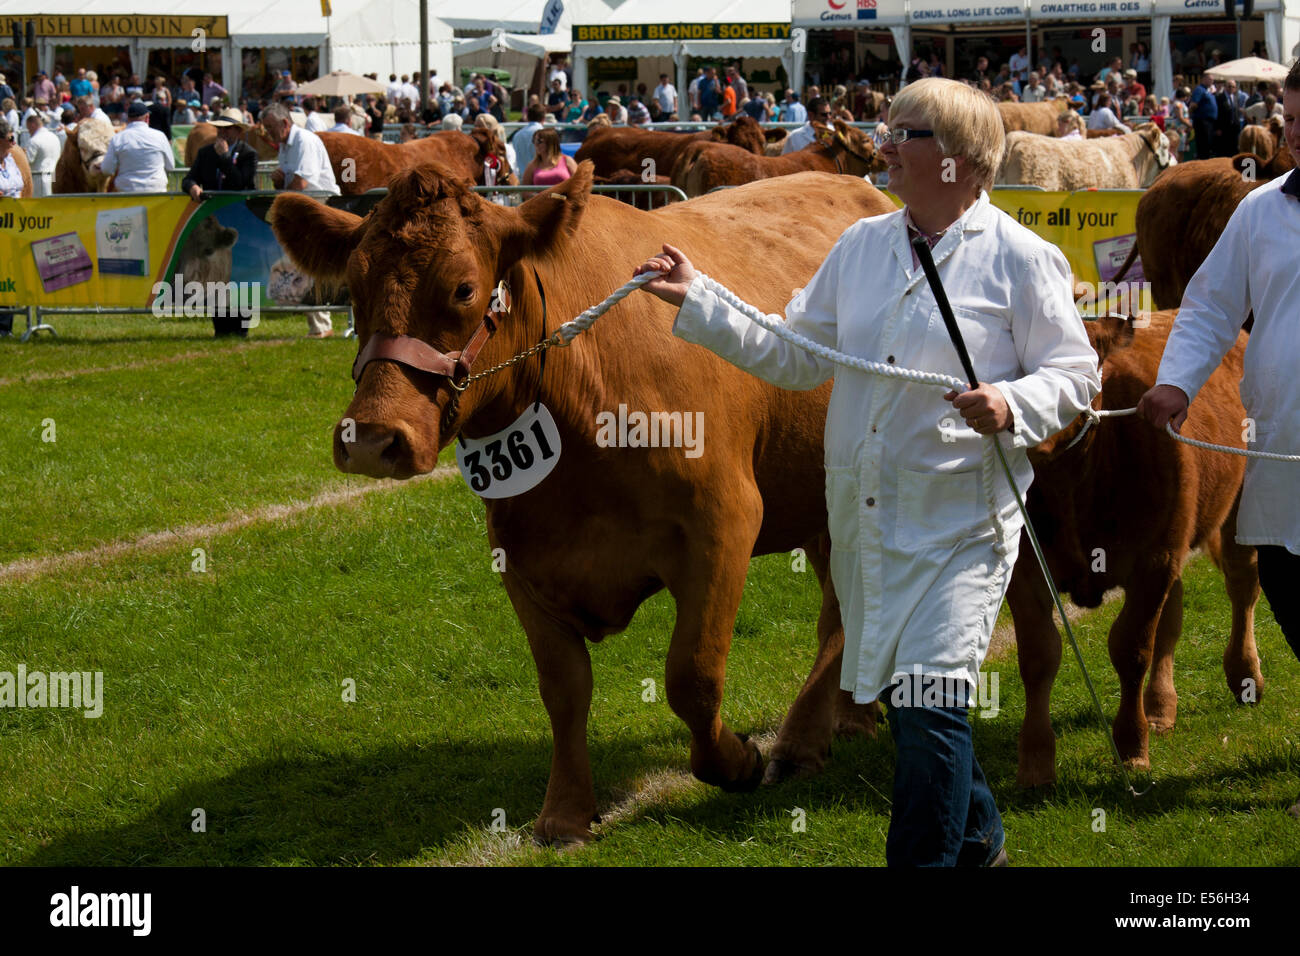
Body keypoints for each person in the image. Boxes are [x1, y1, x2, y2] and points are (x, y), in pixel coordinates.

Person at [635, 77, 1100, 867]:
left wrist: (1013, 401)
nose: (883, 144)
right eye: (889, 128)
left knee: (932, 699)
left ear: (957, 160)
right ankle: (981, 834)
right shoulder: (860, 248)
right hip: (864, 519)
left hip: (961, 520)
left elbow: (1078, 375)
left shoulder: (1022, 260)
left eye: (906, 133)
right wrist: (700, 299)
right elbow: (793, 351)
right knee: (908, 698)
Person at [1137, 66, 1300, 806]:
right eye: (1291, 118)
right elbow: (1207, 307)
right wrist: (1176, 381)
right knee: (1289, 584)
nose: (1291, 133)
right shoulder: (1263, 211)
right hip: (1280, 442)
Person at [261, 102, 339, 337]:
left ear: (285, 123)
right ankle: (321, 325)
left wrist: (283, 204)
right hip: (305, 209)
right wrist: (278, 182)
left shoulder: (304, 141)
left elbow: (301, 183)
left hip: (319, 208)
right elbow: (292, 184)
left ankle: (322, 325)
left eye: (270, 127)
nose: (267, 133)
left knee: (310, 266)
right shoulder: (285, 145)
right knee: (309, 267)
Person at [100, 101, 174, 192]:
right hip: (157, 191)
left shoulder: (117, 138)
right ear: (147, 118)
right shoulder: (160, 136)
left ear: (128, 118)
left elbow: (106, 169)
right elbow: (171, 166)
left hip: (127, 192)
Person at [22, 112, 59, 196]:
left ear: (32, 125)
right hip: (54, 175)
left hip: (40, 178)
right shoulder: (54, 137)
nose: (29, 132)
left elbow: (27, 161)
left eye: (29, 129)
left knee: (40, 204)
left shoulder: (34, 141)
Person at [1191, 74, 1219, 159]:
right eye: (1210, 79)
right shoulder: (1200, 89)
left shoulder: (1208, 90)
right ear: (1204, 79)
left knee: (1209, 144)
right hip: (1202, 121)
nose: (1212, 81)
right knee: (1204, 144)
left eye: (1213, 80)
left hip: (1209, 122)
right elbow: (1193, 104)